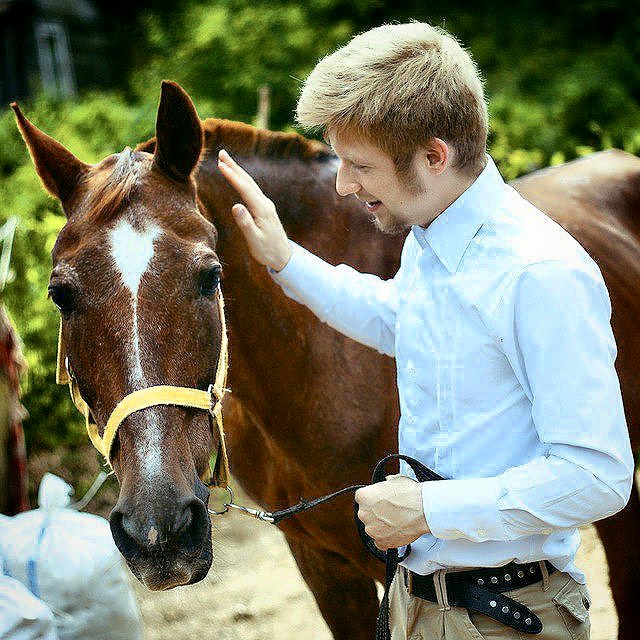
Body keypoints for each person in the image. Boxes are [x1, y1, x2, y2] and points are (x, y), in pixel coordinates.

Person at [217, 21, 633, 640]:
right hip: (420, 607)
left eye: (359, 165)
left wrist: (427, 509)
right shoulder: (431, 237)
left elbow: (599, 477)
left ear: (434, 156)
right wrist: (285, 260)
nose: (344, 185)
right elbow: (395, 317)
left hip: (507, 617)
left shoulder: (540, 274)